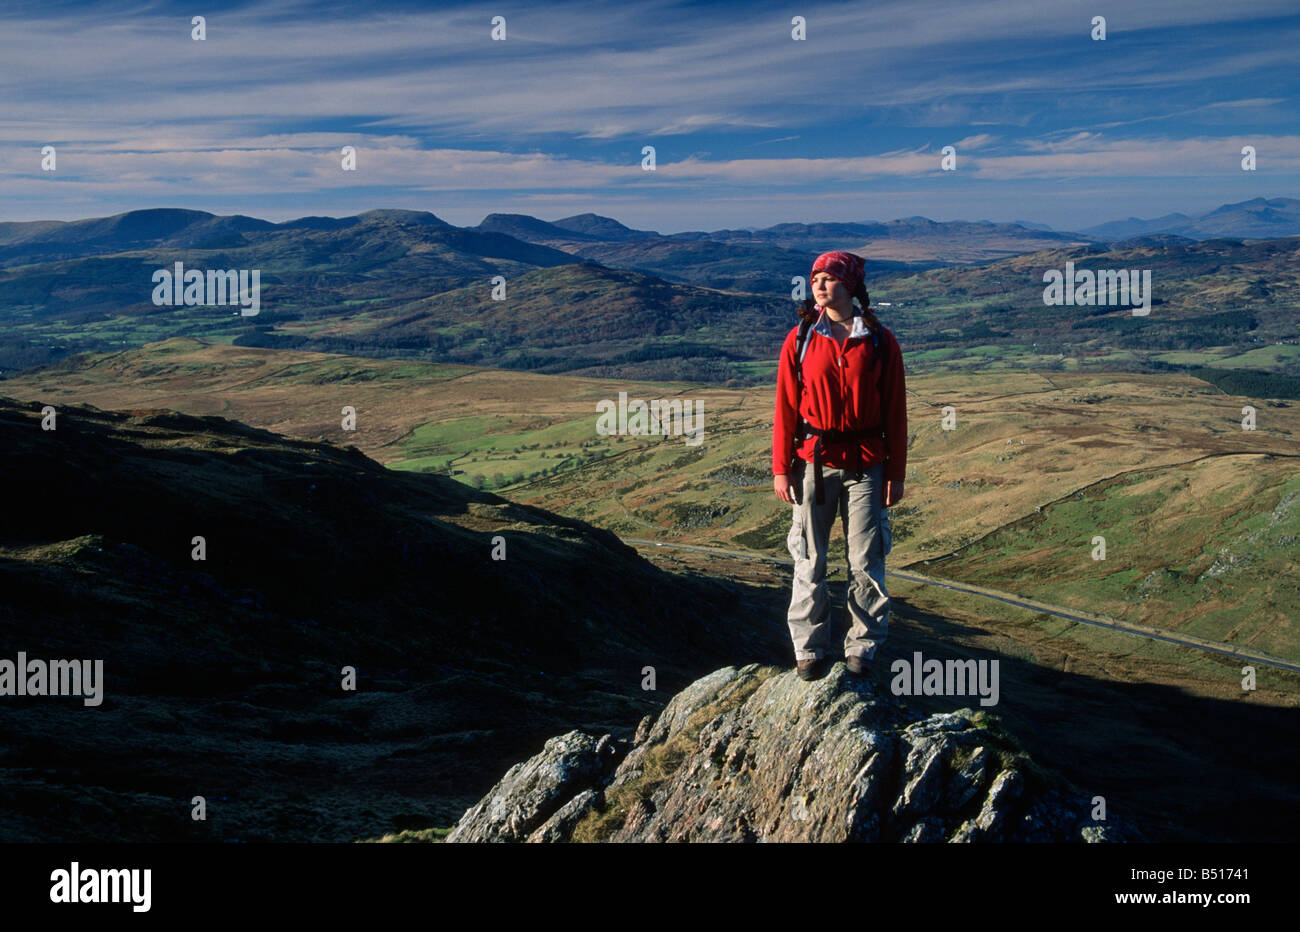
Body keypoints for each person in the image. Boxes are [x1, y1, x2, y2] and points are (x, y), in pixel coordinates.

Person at [772, 251, 907, 681]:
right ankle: (808, 649)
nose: (819, 285)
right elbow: (785, 409)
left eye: (829, 278)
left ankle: (862, 649)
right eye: (816, 278)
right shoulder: (800, 339)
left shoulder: (880, 341)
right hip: (814, 462)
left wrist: (897, 473)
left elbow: (895, 411)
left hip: (868, 464)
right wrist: (781, 467)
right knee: (809, 557)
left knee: (866, 559)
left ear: (850, 286)